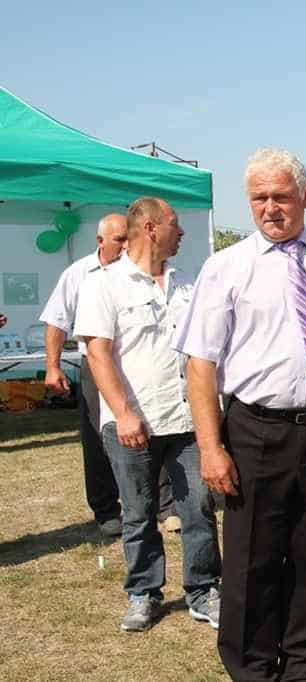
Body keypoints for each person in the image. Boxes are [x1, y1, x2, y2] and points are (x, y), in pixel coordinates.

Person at [175, 148, 306, 681]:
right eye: (260, 198)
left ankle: (304, 670)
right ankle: (251, 672)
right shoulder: (226, 268)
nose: (271, 208)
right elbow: (200, 364)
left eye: (282, 196)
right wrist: (210, 447)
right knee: (252, 564)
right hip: (254, 434)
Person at [75, 198, 221, 633]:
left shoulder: (187, 283)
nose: (183, 233)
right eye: (175, 225)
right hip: (132, 422)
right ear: (152, 228)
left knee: (198, 508)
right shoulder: (104, 285)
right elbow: (98, 354)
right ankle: (144, 592)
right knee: (138, 512)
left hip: (187, 420)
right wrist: (123, 414)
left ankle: (203, 590)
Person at [39, 214, 128, 537]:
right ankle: (106, 510)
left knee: (151, 427)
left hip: (135, 362)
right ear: (100, 241)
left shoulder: (137, 271)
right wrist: (53, 365)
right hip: (95, 363)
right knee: (98, 436)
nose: (126, 245)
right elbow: (56, 320)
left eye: (129, 238)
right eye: (119, 239)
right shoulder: (78, 274)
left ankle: (164, 506)